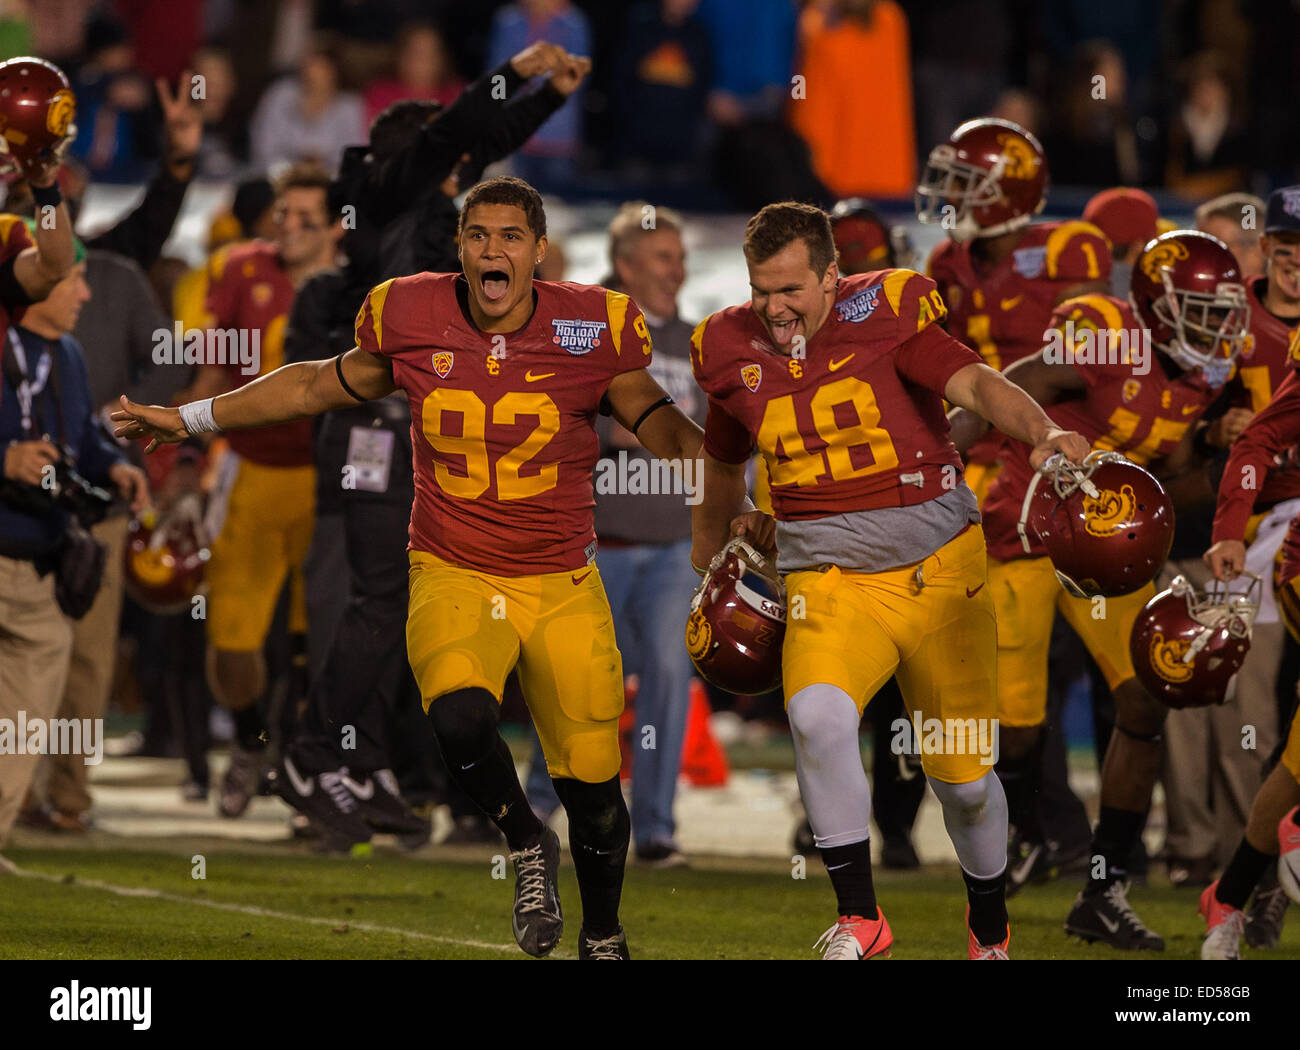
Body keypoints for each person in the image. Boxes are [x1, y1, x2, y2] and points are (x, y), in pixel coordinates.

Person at [113, 176, 709, 961]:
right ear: (460, 247)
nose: (493, 250)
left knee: (595, 785)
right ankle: (528, 843)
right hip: (453, 567)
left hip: (561, 580)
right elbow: (313, 384)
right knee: (458, 716)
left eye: (509, 237)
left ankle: (603, 933)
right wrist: (189, 419)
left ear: (538, 252)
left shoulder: (590, 326)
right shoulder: (411, 311)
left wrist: (723, 477)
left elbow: (658, 422)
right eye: (478, 236)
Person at [689, 201, 1091, 959]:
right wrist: (709, 546)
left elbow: (975, 384)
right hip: (829, 580)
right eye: (760, 289)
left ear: (832, 277)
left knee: (965, 784)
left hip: (942, 578)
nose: (774, 308)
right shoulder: (724, 344)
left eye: (790, 290)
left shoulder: (889, 309)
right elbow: (723, 456)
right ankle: (861, 918)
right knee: (816, 719)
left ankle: (990, 932)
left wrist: (1041, 432)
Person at [949, 230, 1250, 951]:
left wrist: (1211, 453)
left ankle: (1105, 887)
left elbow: (1170, 472)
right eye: (1202, 311)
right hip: (1018, 527)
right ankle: (1026, 835)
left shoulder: (1205, 377)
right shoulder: (1107, 332)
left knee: (1146, 692)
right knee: (1018, 723)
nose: (1218, 329)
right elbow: (1016, 380)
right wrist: (941, 452)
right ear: (1156, 305)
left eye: (1225, 312)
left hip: (1103, 542)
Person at [525, 201, 703, 867]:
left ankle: (655, 827)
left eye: (680, 258)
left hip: (672, 545)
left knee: (664, 672)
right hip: (597, 540)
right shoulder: (585, 333)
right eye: (662, 258)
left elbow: (713, 442)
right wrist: (616, 426)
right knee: (582, 682)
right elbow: (559, 421)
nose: (676, 271)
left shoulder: (696, 341)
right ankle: (541, 802)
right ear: (624, 266)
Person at [179, 162, 344, 819]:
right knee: (232, 641)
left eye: (308, 218)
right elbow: (211, 371)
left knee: (318, 648)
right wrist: (188, 455)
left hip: (328, 479)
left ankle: (303, 772)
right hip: (250, 469)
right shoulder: (241, 268)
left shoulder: (358, 285)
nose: (292, 229)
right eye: (285, 214)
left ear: (336, 225)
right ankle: (250, 739)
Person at [0, 257, 148, 851]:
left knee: (23, 724)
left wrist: (112, 464)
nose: (85, 293)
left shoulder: (68, 355)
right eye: (72, 280)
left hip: (39, 562)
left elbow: (79, 436)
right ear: (31, 285)